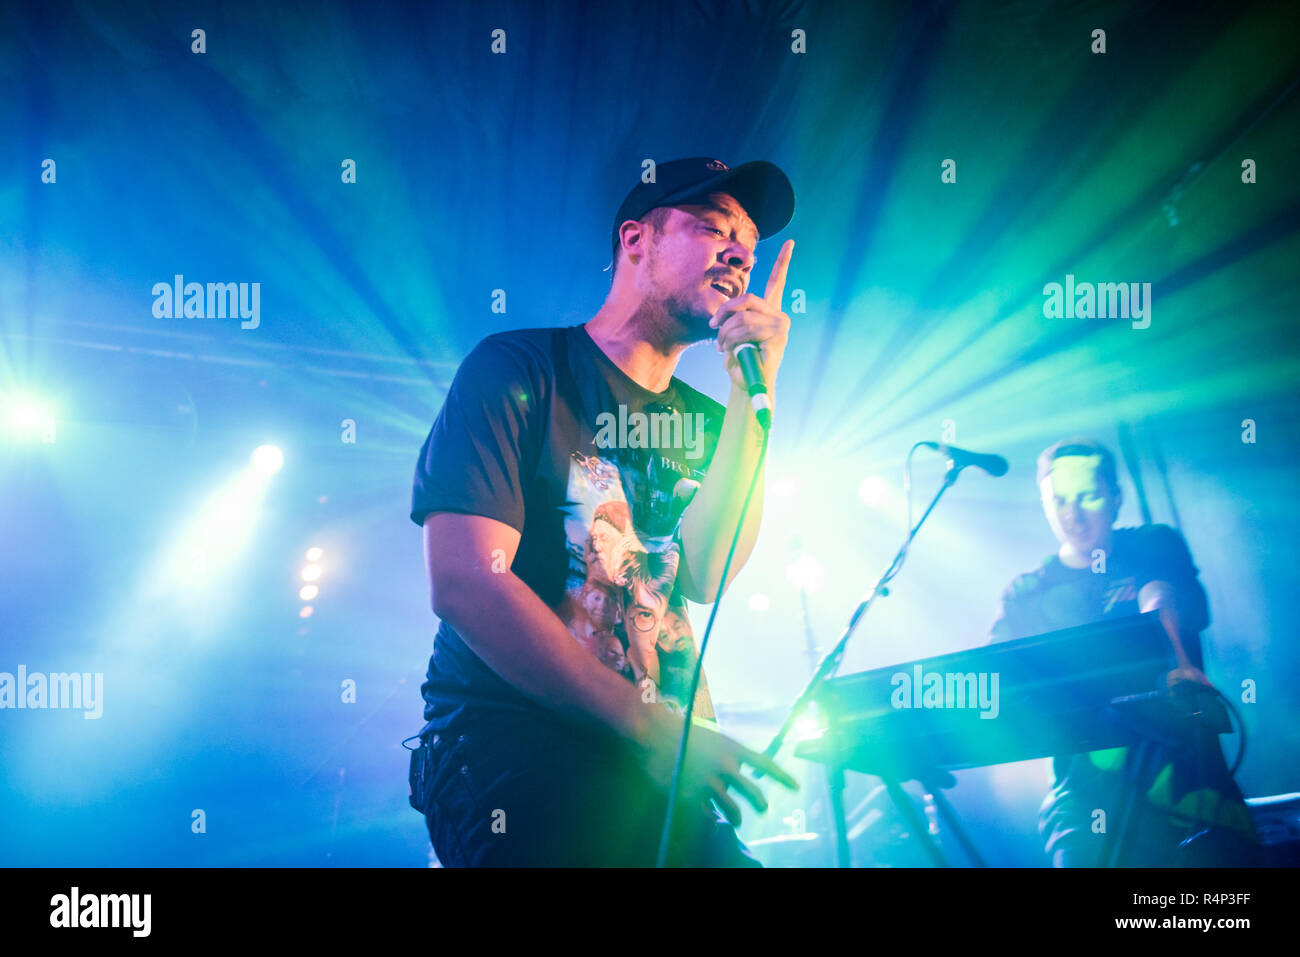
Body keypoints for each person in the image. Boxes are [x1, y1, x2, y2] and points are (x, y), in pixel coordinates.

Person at [407, 157, 801, 866]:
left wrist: (754, 389)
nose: (741, 251)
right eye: (714, 227)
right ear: (635, 240)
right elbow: (466, 580)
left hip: (657, 773)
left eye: (748, 240)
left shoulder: (714, 423)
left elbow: (708, 572)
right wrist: (648, 725)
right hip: (516, 757)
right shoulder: (521, 369)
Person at [987, 437, 1257, 867]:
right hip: (1086, 801)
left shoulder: (1153, 544)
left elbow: (1159, 596)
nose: (1072, 515)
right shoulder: (1027, 593)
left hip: (1192, 787)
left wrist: (1173, 656)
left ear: (1115, 497)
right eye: (1058, 501)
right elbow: (994, 679)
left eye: (1087, 497)